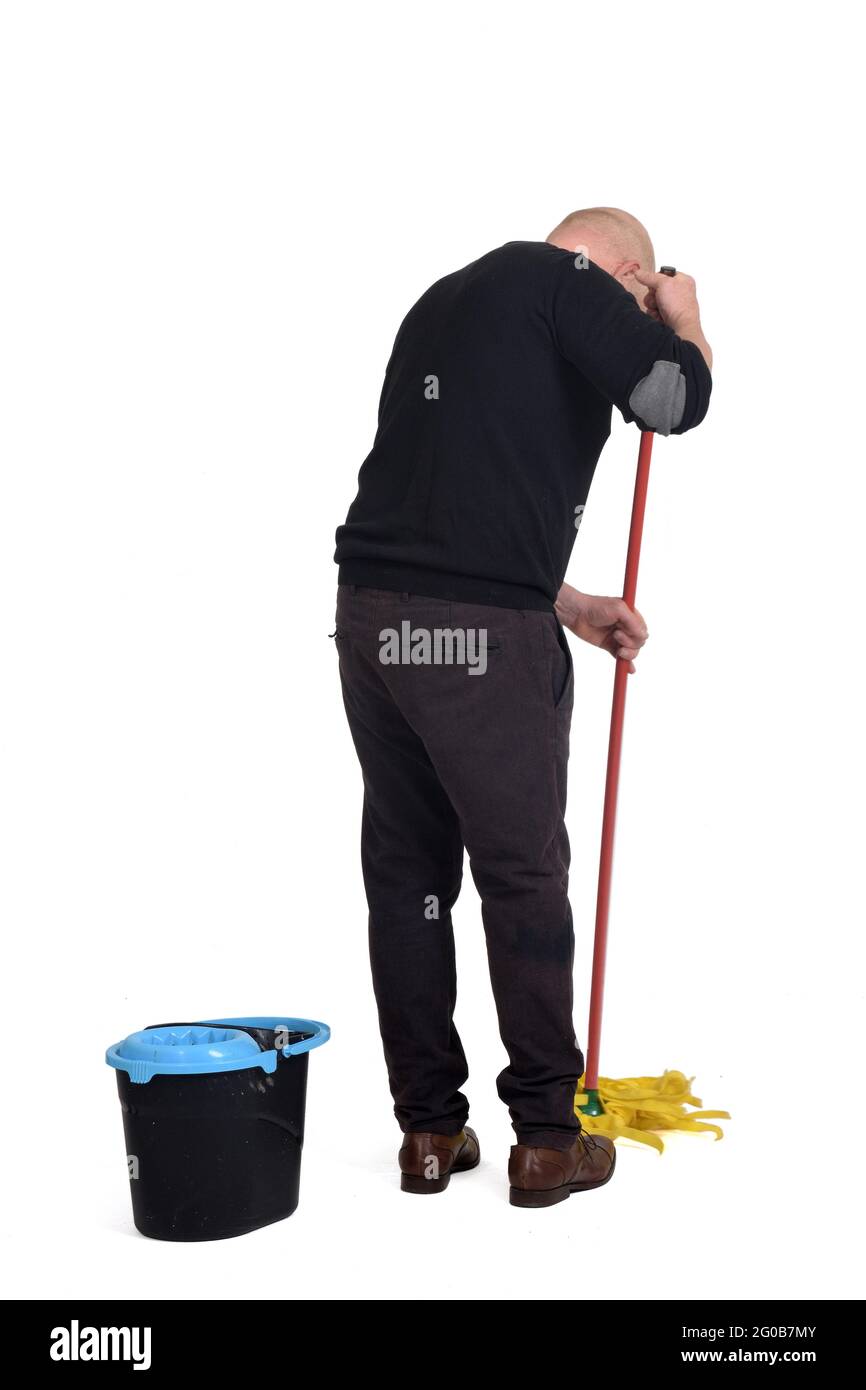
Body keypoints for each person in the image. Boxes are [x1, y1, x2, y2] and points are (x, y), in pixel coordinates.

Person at [333, 207, 713, 1208]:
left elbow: (449, 506)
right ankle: (548, 1137)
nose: (627, 318)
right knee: (520, 878)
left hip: (375, 622)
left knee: (410, 874)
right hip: (478, 644)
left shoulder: (444, 301)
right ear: (619, 269)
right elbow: (672, 400)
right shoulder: (576, 286)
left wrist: (568, 604)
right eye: (633, 295)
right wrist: (681, 315)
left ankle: (427, 1130)